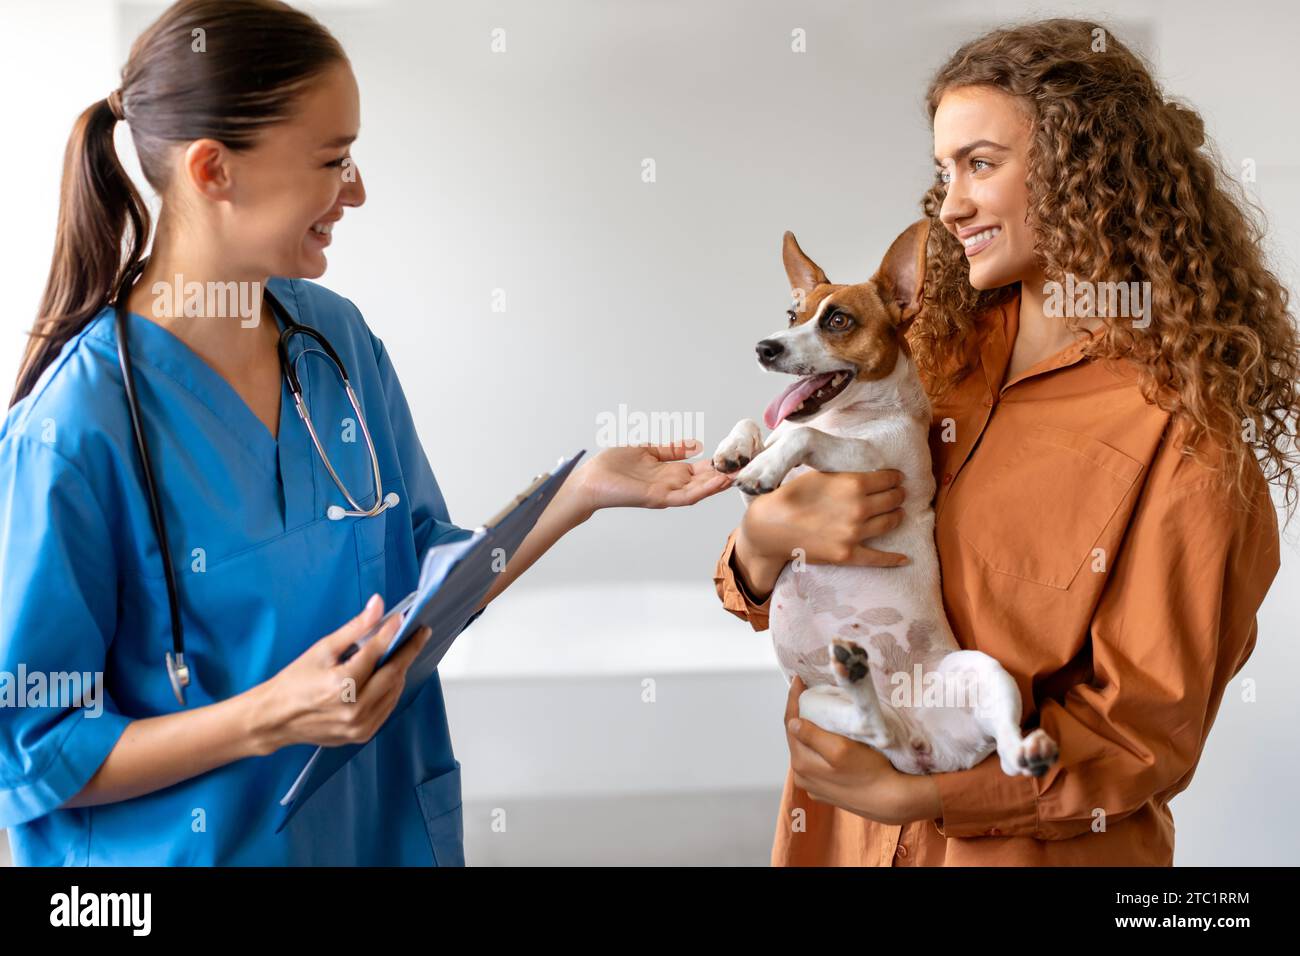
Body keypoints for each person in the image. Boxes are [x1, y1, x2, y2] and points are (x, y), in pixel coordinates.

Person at [0, 0, 731, 865]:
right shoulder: (73, 431)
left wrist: (576, 495)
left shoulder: (335, 345)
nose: (357, 189)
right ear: (212, 171)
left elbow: (428, 579)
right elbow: (31, 752)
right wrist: (268, 717)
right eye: (332, 160)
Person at [714, 18, 1296, 866]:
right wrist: (758, 546)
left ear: (1086, 173)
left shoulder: (1182, 433)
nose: (949, 204)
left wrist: (923, 796)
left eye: (981, 164)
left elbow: (1143, 738)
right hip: (837, 835)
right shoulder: (921, 358)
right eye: (944, 170)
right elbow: (782, 585)